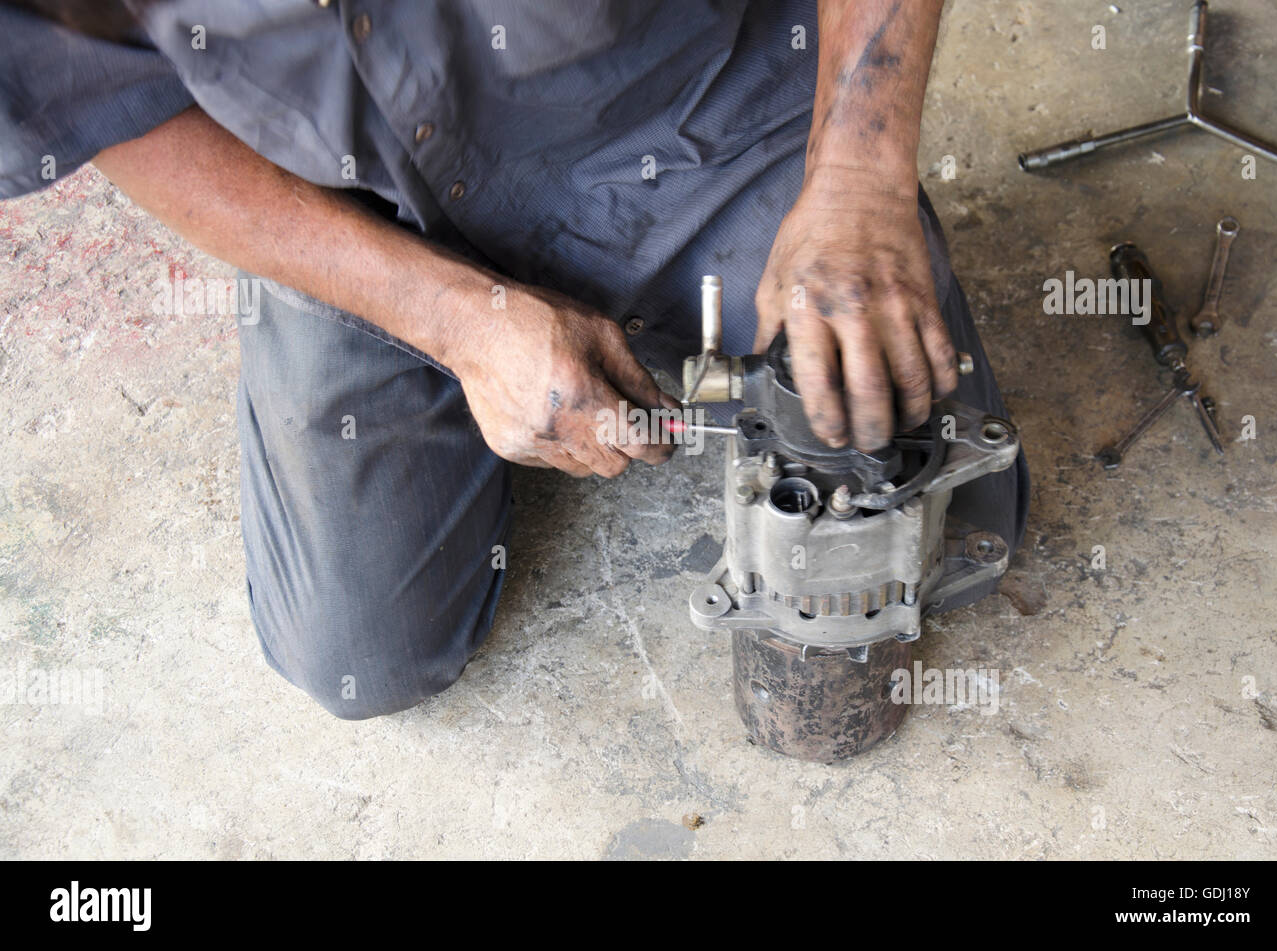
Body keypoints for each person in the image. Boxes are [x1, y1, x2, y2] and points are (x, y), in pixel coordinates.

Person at [1, 0, 1028, 718]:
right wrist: (455, 319)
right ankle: (374, 321)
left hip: (675, 112)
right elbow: (90, 101)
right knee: (361, 662)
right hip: (349, 201)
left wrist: (857, 173)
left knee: (930, 514)